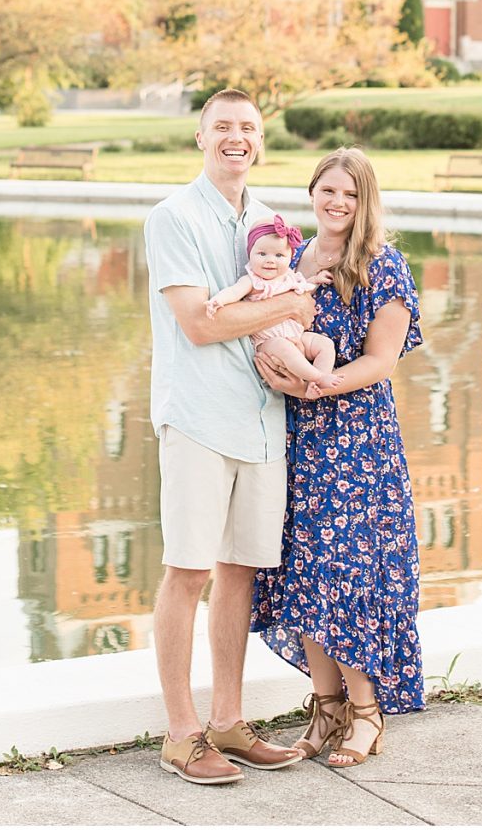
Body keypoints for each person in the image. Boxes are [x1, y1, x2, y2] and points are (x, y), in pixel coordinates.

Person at [144, 88, 310, 786]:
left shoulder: (271, 221)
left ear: (259, 140)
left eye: (247, 127)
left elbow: (296, 314)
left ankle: (228, 723)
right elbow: (200, 325)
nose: (235, 138)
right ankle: (181, 734)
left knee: (240, 570)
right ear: (200, 137)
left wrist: (294, 312)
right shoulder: (172, 217)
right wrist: (287, 304)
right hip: (197, 418)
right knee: (188, 571)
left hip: (260, 421)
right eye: (222, 127)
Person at [251, 146, 424, 767]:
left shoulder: (385, 265)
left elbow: (380, 362)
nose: (338, 202)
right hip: (295, 437)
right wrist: (281, 376)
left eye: (350, 194)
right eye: (328, 190)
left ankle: (367, 711)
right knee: (302, 571)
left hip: (357, 440)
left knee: (347, 572)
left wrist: (317, 383)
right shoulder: (288, 259)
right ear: (312, 191)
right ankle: (325, 707)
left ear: (364, 201)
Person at [207, 214, 339, 398]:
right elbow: (234, 292)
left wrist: (315, 280)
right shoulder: (252, 281)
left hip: (296, 335)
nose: (270, 260)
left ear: (290, 256)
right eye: (262, 254)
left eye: (279, 255)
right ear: (250, 253)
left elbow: (302, 289)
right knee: (285, 349)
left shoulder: (290, 277)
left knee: (324, 344)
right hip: (268, 342)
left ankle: (316, 382)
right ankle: (317, 377)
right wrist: (218, 301)